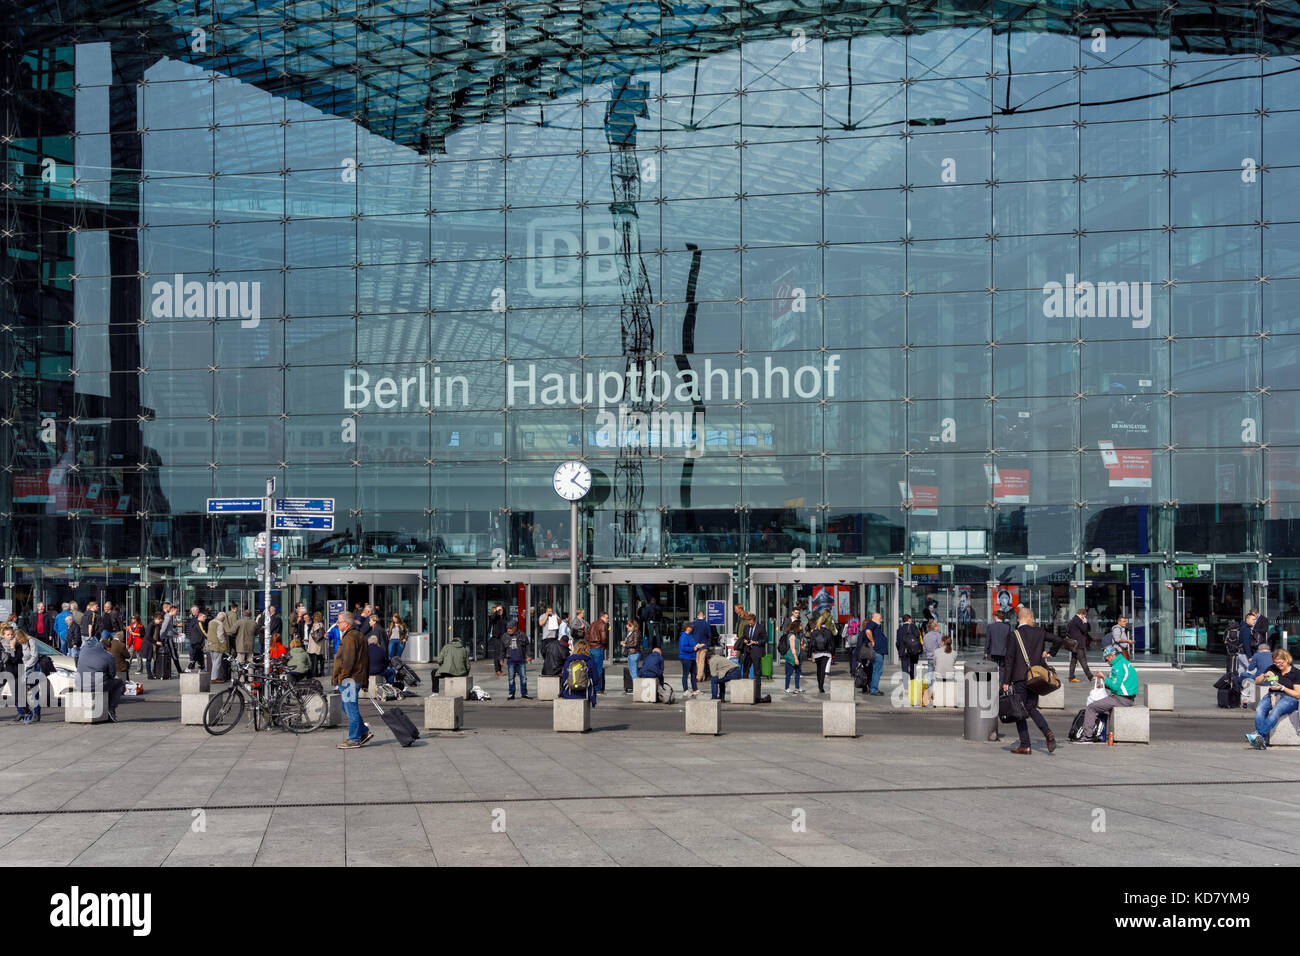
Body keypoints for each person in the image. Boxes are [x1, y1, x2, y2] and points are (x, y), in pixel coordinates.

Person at [1000, 607, 1056, 755]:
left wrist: (1006, 681)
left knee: (1019, 710)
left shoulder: (1014, 634)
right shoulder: (1040, 632)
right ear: (1030, 618)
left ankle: (1025, 745)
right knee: (1031, 708)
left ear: (1019, 618)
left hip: (1019, 678)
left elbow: (1009, 659)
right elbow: (1058, 640)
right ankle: (1047, 731)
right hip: (1035, 678)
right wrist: (1050, 653)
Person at [1076, 644, 1139, 742]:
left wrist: (1103, 677)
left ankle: (1087, 736)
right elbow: (1121, 684)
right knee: (1101, 707)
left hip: (1121, 699)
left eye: (1106, 659)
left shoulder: (1117, 667)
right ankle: (1103, 733)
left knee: (1092, 707)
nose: (1107, 662)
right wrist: (1104, 685)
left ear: (1112, 656)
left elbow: (1114, 686)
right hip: (1128, 698)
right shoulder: (1125, 663)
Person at [331, 612, 373, 749]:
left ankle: (354, 738)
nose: (337, 624)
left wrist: (342, 677)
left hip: (349, 679)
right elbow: (365, 660)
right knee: (346, 706)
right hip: (356, 677)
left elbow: (348, 661)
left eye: (339, 622)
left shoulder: (349, 637)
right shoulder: (359, 635)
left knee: (351, 709)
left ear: (347, 623)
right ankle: (363, 732)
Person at [1246, 649, 1300, 749]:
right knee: (1260, 710)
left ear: (1287, 660)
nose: (1278, 665)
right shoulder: (1272, 668)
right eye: (1275, 662)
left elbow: (1297, 694)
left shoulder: (1296, 673)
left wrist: (1282, 688)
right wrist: (1264, 675)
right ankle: (1260, 741)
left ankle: (1258, 736)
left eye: (1280, 663)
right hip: (1272, 695)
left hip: (1290, 698)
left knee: (1276, 711)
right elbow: (1257, 681)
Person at [76, 634, 125, 723]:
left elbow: (76, 659)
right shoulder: (109, 656)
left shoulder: (84, 650)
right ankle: (111, 709)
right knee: (119, 683)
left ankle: (105, 708)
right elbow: (112, 674)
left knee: (106, 682)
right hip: (95, 685)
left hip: (80, 684)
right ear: (107, 648)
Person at [1053, 607, 1095, 682]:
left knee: (1073, 660)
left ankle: (1071, 677)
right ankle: (1090, 676)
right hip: (1078, 644)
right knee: (1083, 660)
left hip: (1074, 644)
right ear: (1082, 614)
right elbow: (1084, 629)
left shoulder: (1073, 620)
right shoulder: (1078, 620)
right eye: (1085, 615)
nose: (1085, 617)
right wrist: (1085, 622)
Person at [560, 638, 598, 707]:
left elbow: (564, 678)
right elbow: (595, 680)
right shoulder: (589, 661)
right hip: (585, 694)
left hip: (569, 693)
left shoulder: (569, 661)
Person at [504, 621, 532, 700]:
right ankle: (511, 694)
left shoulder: (522, 635)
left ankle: (524, 693)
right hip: (511, 660)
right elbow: (502, 649)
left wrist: (529, 655)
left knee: (523, 677)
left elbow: (528, 645)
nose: (508, 630)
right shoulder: (505, 636)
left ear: (515, 628)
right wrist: (501, 659)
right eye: (507, 628)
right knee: (511, 678)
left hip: (521, 660)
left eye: (510, 628)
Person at [810, 612, 835, 694]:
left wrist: (810, 653)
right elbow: (832, 644)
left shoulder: (814, 632)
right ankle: (821, 686)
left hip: (817, 653)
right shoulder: (828, 632)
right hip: (826, 653)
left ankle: (819, 685)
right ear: (825, 622)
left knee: (818, 669)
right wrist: (833, 653)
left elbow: (811, 643)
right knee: (823, 670)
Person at [862, 611, 886, 696]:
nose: (881, 620)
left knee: (876, 671)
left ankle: (874, 688)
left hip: (878, 651)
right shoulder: (872, 624)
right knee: (877, 671)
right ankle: (874, 689)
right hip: (877, 651)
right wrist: (872, 641)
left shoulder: (875, 626)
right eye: (880, 618)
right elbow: (868, 631)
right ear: (875, 618)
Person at [738, 613, 766, 680]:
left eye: (751, 622)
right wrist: (745, 640)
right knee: (745, 669)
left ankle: (757, 689)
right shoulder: (746, 627)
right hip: (747, 651)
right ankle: (745, 687)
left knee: (757, 671)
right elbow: (744, 636)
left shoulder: (760, 627)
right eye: (748, 622)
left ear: (754, 620)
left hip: (756, 651)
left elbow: (765, 639)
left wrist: (755, 642)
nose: (749, 624)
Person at [585, 610, 608, 693]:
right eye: (606, 618)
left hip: (591, 648)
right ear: (602, 617)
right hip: (598, 648)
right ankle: (596, 688)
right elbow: (604, 638)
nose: (607, 619)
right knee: (598, 669)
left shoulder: (593, 624)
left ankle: (591, 686)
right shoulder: (603, 625)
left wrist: (589, 643)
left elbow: (587, 635)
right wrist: (604, 646)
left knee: (592, 668)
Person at [678, 615, 701, 696]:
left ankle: (695, 689)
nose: (692, 628)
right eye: (691, 627)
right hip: (685, 657)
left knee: (693, 674)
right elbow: (683, 647)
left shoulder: (690, 636)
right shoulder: (683, 636)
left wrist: (697, 647)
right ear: (687, 628)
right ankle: (685, 690)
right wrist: (693, 649)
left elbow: (692, 646)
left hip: (691, 657)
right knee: (685, 674)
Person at [780, 616, 802, 694]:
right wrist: (796, 658)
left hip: (797, 656)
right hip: (792, 657)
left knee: (798, 672)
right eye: (800, 625)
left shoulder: (797, 635)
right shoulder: (792, 636)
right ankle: (787, 688)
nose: (801, 627)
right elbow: (792, 648)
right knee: (789, 673)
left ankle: (797, 687)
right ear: (797, 626)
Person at [896, 614, 921, 680]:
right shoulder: (913, 627)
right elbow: (917, 637)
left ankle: (905, 683)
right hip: (913, 650)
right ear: (909, 619)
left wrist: (900, 650)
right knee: (913, 667)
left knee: (904, 667)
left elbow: (898, 643)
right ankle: (913, 680)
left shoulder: (899, 630)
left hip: (903, 651)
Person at [207, 611, 229, 683]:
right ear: (222, 618)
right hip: (217, 646)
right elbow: (220, 636)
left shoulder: (210, 622)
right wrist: (224, 643)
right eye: (224, 619)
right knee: (217, 662)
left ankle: (213, 677)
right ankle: (214, 678)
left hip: (210, 645)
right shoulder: (220, 624)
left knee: (214, 662)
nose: (224, 620)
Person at [488, 605, 506, 676]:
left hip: (503, 636)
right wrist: (496, 611)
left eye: (501, 610)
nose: (500, 611)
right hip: (497, 637)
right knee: (497, 654)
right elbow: (492, 618)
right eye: (499, 610)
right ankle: (497, 670)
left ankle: (500, 669)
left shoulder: (503, 617)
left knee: (501, 653)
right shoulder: (494, 617)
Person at [141, 612, 160, 680]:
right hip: (148, 644)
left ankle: (152, 673)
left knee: (151, 659)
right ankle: (149, 674)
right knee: (148, 660)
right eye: (160, 620)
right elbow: (148, 636)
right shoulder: (151, 625)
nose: (160, 622)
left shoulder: (155, 625)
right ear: (156, 619)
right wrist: (156, 642)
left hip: (150, 644)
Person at [307, 612, 326, 677]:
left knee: (314, 661)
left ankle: (314, 673)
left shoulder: (317, 625)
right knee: (320, 659)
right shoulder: (321, 625)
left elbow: (314, 636)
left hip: (315, 646)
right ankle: (321, 672)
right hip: (318, 645)